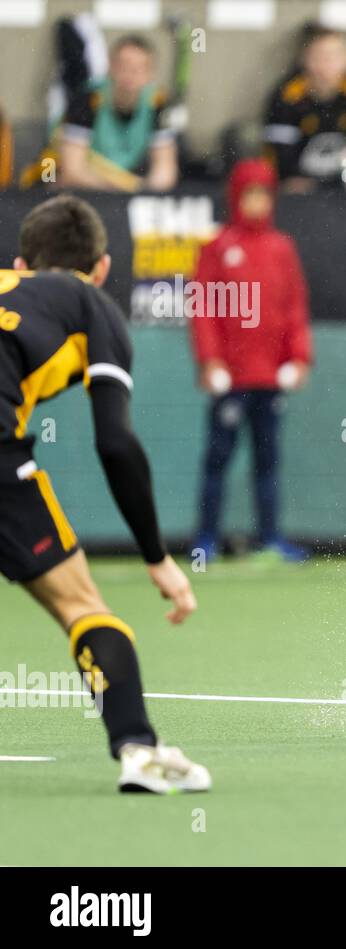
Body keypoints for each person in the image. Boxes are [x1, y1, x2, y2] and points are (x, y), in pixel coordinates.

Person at [2, 194, 206, 792]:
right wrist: (156, 557)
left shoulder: (12, 288)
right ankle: (138, 751)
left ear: (20, 265)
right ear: (104, 269)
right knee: (82, 607)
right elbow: (115, 443)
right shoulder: (93, 307)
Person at [190, 160, 312, 563]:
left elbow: (294, 307)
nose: (257, 203)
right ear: (235, 198)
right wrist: (210, 362)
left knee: (268, 461)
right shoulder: (217, 246)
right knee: (218, 459)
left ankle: (270, 537)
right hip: (230, 379)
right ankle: (205, 540)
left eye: (264, 194)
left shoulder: (283, 248)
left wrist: (298, 357)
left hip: (271, 379)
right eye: (249, 194)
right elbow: (202, 308)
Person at [57, 35, 178, 193]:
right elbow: (73, 171)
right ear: (110, 67)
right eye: (124, 66)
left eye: (138, 69)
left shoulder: (157, 102)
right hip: (83, 184)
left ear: (150, 75)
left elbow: (165, 171)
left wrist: (144, 191)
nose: (130, 75)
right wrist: (118, 193)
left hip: (123, 184)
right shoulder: (88, 99)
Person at [264, 26, 346, 193]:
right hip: (299, 188)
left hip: (343, 186)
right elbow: (278, 154)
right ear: (306, 59)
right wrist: (289, 178)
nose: (328, 64)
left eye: (335, 56)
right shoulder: (288, 97)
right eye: (321, 56)